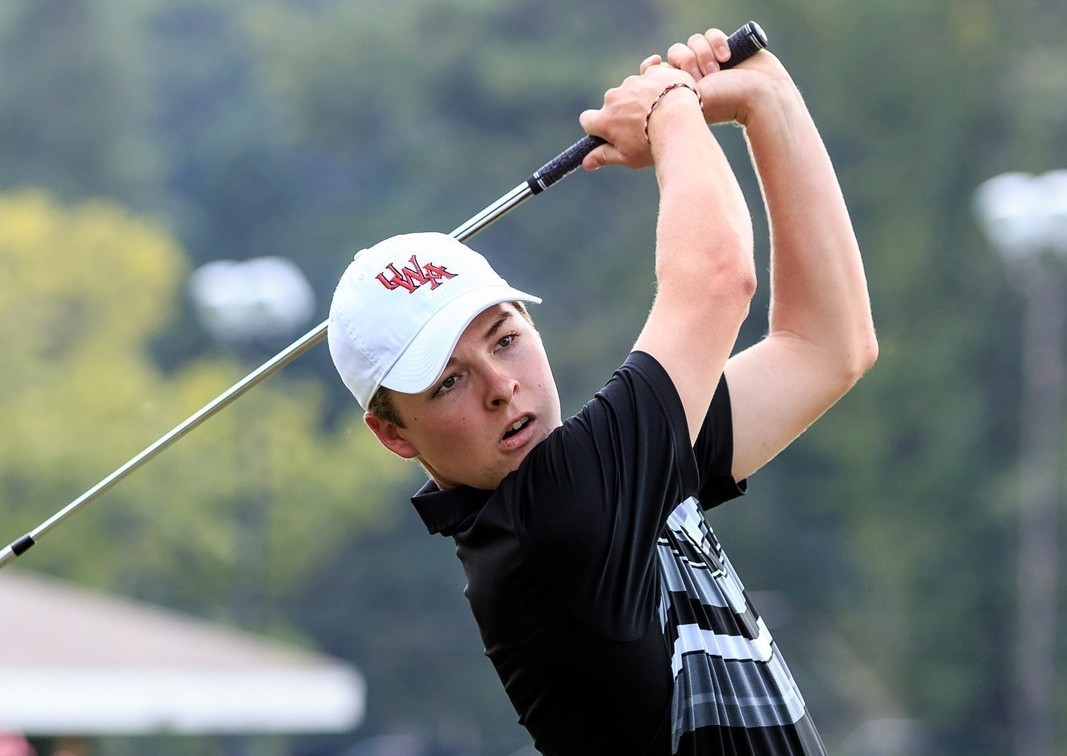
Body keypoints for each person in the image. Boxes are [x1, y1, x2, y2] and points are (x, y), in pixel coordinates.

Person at [327, 26, 877, 756]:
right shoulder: (550, 525)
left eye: (504, 337)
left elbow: (826, 345)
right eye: (450, 379)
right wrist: (668, 109)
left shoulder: (605, 480)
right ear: (393, 433)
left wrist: (765, 103)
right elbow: (716, 278)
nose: (501, 386)